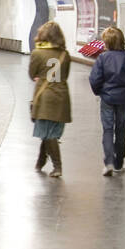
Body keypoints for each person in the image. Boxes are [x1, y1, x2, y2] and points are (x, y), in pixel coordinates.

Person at [87, 26, 125, 176]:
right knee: (121, 129)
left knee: (108, 129)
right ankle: (119, 163)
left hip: (107, 99)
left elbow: (94, 79)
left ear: (107, 42)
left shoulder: (103, 58)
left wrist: (99, 91)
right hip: (124, 98)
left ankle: (109, 162)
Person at [29, 21, 71, 177]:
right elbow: (65, 75)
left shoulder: (37, 53)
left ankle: (57, 167)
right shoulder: (64, 54)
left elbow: (32, 74)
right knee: (50, 132)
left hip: (44, 96)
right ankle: (40, 162)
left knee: (48, 134)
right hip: (61, 96)